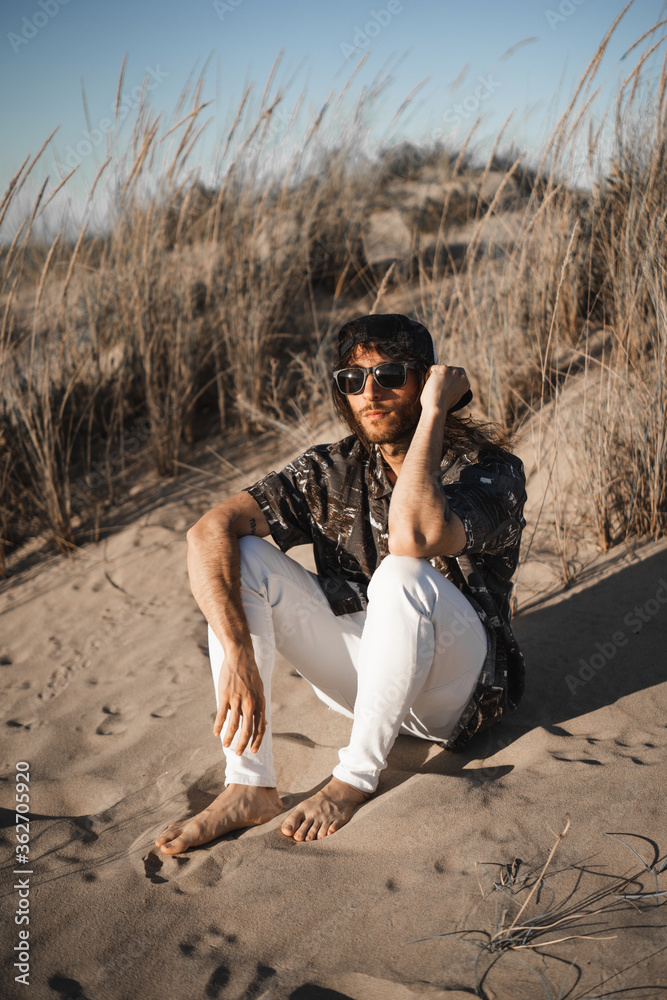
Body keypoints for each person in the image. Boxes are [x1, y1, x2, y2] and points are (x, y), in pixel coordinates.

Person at [155, 314, 526, 853]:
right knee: (242, 553)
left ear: (426, 381)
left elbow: (415, 532)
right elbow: (206, 530)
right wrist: (236, 647)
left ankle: (353, 779)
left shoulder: (489, 471)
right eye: (352, 381)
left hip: (458, 694)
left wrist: (435, 414)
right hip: (367, 685)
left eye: (390, 376)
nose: (369, 393)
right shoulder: (332, 470)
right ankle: (249, 785)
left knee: (403, 570)